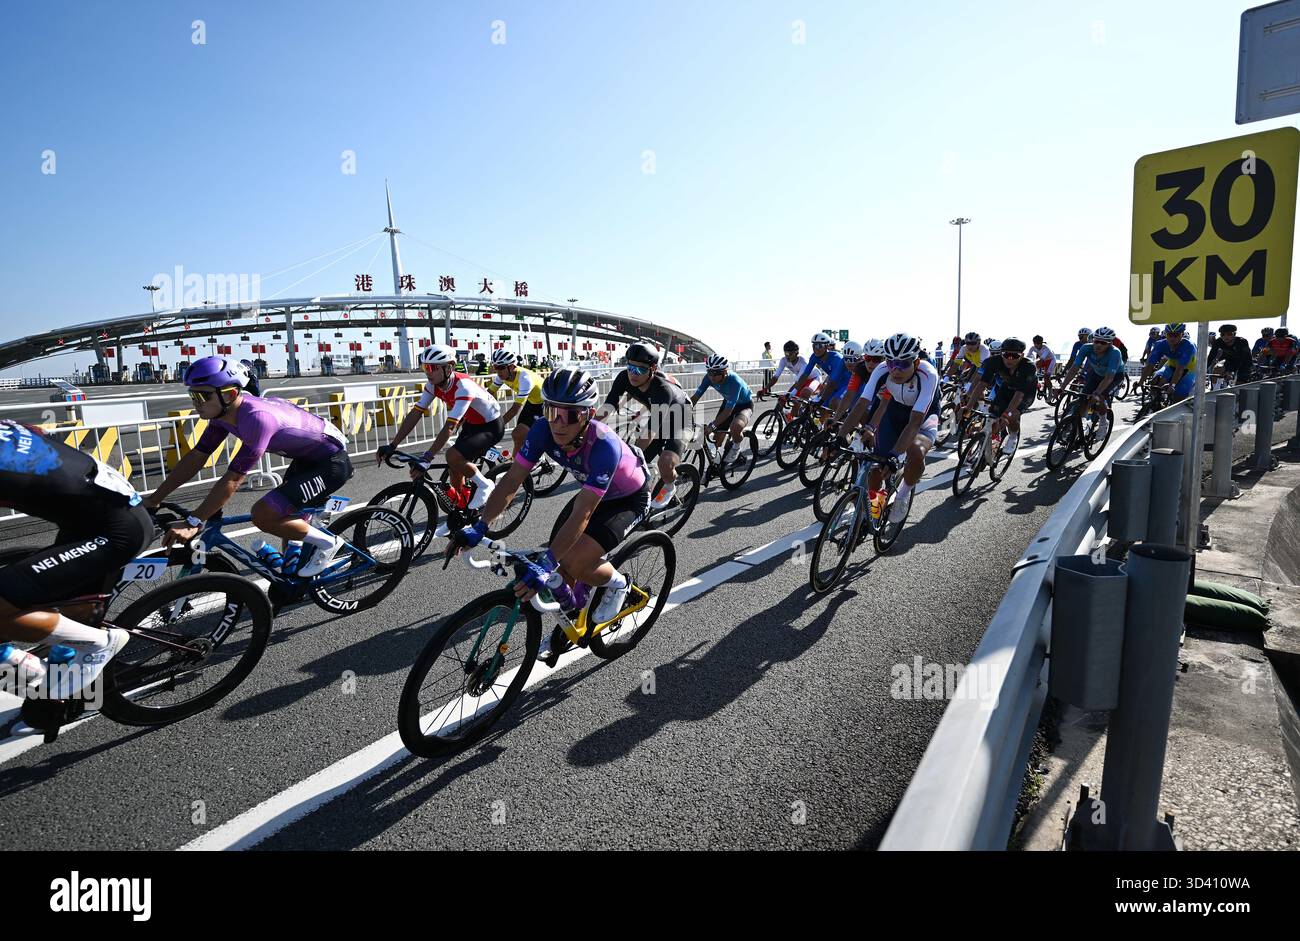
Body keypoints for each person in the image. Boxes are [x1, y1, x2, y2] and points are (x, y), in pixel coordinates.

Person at [450, 369, 651, 666]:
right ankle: (571, 618)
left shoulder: (604, 445)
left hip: (627, 499)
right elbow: (512, 480)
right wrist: (480, 526)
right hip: (593, 493)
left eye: (569, 415)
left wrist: (549, 562)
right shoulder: (543, 430)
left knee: (571, 560)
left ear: (588, 415)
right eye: (550, 410)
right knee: (560, 571)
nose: (558, 422)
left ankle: (619, 585)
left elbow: (584, 512)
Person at [146, 357, 355, 578]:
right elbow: (197, 457)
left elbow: (233, 479)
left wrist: (194, 521)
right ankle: (294, 574)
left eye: (203, 396)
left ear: (230, 394)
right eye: (192, 395)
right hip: (306, 460)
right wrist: (155, 498)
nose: (196, 402)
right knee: (285, 518)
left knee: (263, 514)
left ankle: (330, 543)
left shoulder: (257, 419)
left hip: (331, 463)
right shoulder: (222, 416)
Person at [0, 421, 152, 698]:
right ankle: (52, 703)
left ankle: (100, 644)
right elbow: (39, 435)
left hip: (115, 530)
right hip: (90, 518)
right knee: (69, 622)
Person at [377, 344, 503, 512]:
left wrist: (428, 458)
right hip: (471, 423)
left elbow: (450, 425)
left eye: (432, 367)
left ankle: (485, 485)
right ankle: (461, 510)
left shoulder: (463, 386)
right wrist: (393, 445)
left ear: (449, 367)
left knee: (453, 456)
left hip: (490, 426)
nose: (427, 372)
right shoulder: (432, 385)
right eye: (424, 367)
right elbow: (415, 413)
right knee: (454, 469)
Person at [834, 333, 941, 525]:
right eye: (892, 363)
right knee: (876, 468)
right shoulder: (882, 370)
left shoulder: (928, 373)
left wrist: (895, 454)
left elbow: (915, 421)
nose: (896, 369)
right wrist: (839, 436)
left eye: (903, 363)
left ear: (916, 362)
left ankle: (902, 497)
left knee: (916, 451)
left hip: (923, 416)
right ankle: (875, 512)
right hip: (895, 413)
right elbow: (862, 403)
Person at [597, 341, 693, 510]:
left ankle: (670, 486)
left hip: (680, 419)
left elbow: (650, 431)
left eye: (640, 369)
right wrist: (589, 428)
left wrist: (631, 457)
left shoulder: (662, 389)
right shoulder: (623, 378)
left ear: (653, 369)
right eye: (630, 368)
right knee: (636, 466)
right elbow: (609, 405)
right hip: (660, 419)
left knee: (665, 462)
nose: (633, 374)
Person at [965, 337, 1036, 454]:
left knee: (1011, 416)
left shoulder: (1028, 367)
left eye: (1015, 356)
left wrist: (1006, 414)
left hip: (1025, 393)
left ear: (1022, 355)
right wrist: (968, 406)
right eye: (1006, 354)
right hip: (1006, 388)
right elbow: (981, 384)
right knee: (993, 416)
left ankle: (1013, 436)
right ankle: (988, 445)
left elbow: (1019, 395)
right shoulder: (994, 361)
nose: (1009, 359)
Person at [690, 354, 755, 466]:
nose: (712, 377)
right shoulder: (708, 378)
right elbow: (695, 398)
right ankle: (715, 466)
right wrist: (682, 411)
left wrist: (712, 426)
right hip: (728, 401)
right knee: (716, 440)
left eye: (715, 373)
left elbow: (728, 412)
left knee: (736, 427)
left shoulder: (735, 382)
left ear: (724, 372)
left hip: (745, 405)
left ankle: (736, 447)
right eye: (709, 372)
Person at [1058, 327, 1124, 437]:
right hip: (1096, 374)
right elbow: (1074, 368)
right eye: (1096, 341)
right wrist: (1062, 387)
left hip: (1114, 377)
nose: (1098, 345)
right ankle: (1083, 421)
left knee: (1098, 399)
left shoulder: (1115, 353)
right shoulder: (1086, 348)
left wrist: (1097, 393)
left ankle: (1103, 421)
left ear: (1110, 343)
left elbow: (1108, 378)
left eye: (1103, 343)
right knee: (1084, 400)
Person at [487, 348, 544, 459]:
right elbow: (488, 394)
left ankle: (531, 460)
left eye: (501, 367)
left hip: (544, 404)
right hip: (532, 402)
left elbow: (515, 409)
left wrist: (497, 425)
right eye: (495, 367)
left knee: (518, 432)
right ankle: (516, 464)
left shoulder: (525, 379)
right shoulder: (502, 376)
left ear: (512, 366)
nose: (498, 371)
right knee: (519, 437)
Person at [1139, 323, 1197, 406]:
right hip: (1171, 365)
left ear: (1182, 335)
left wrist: (1172, 385)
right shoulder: (1160, 344)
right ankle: (1157, 403)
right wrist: (1140, 381)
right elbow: (1150, 365)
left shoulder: (1189, 346)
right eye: (1169, 335)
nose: (1172, 338)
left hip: (1188, 369)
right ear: (1166, 334)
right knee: (1155, 381)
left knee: (1178, 397)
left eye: (1176, 335)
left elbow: (1180, 369)